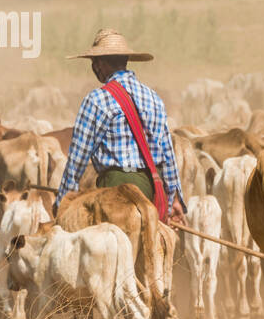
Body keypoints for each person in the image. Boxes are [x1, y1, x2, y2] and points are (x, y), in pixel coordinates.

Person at [54, 28, 186, 225]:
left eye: (94, 63)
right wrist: (174, 198)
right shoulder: (154, 98)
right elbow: (168, 156)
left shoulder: (97, 100)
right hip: (149, 191)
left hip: (113, 192)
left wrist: (62, 201)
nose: (94, 68)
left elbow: (77, 161)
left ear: (101, 63)